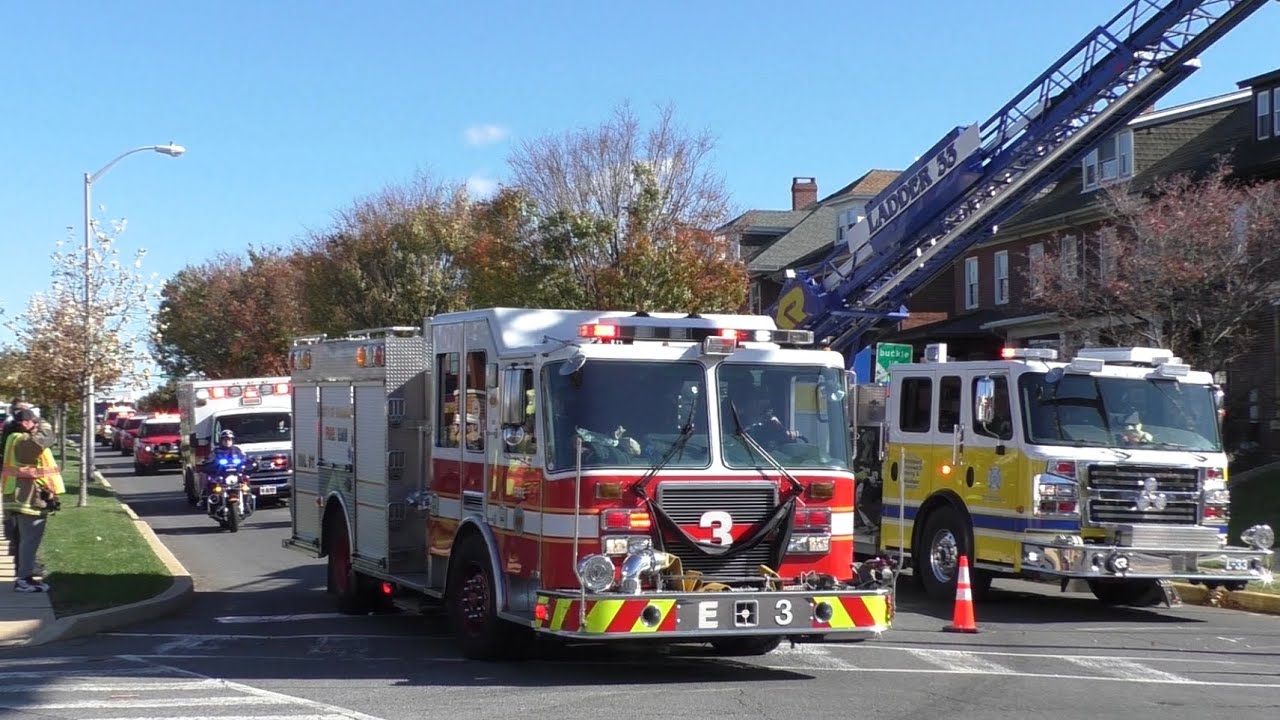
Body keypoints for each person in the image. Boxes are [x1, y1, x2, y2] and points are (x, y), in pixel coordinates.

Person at [1, 409, 63, 592]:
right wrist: (44, 423)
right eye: (34, 422)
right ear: (25, 423)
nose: (37, 425)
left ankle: (25, 577)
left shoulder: (15, 438)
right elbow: (45, 438)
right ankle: (24, 580)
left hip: (22, 495)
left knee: (25, 540)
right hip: (27, 498)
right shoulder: (22, 441)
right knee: (29, 540)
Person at [196, 430, 249, 506]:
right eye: (225, 439)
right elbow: (209, 459)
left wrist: (250, 462)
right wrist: (205, 464)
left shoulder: (237, 450)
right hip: (221, 475)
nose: (227, 441)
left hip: (236, 474)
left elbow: (245, 458)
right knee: (208, 479)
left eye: (229, 439)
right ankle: (204, 497)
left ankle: (247, 501)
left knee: (245, 480)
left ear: (232, 440)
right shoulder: (216, 451)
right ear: (221, 441)